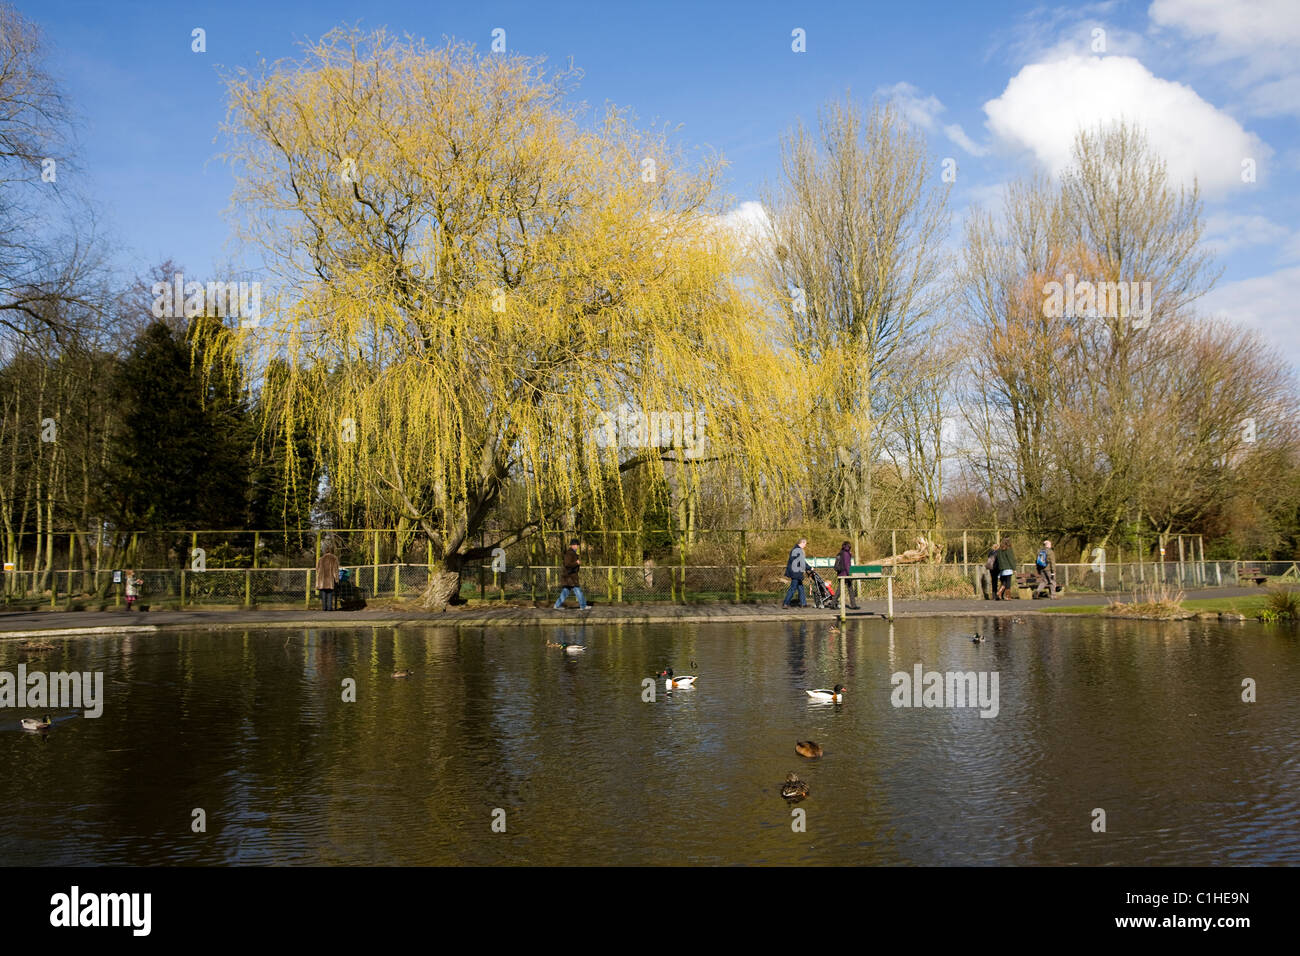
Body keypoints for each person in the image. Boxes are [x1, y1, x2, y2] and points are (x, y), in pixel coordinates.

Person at [554, 539, 590, 610]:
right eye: (576, 545)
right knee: (578, 591)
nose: (577, 546)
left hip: (569, 577)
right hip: (570, 577)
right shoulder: (569, 554)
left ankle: (557, 605)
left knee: (565, 592)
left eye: (577, 545)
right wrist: (576, 563)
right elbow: (567, 564)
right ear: (573, 545)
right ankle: (583, 606)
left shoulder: (571, 553)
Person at [783, 537, 810, 608]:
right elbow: (801, 562)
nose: (805, 546)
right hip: (796, 573)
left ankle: (803, 603)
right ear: (802, 542)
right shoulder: (797, 550)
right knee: (793, 588)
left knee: (801, 588)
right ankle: (786, 603)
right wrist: (810, 568)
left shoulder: (796, 549)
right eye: (805, 544)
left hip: (796, 572)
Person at [833, 540, 859, 609]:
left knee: (840, 590)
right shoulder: (846, 554)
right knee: (850, 590)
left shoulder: (841, 553)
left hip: (841, 574)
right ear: (849, 546)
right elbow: (847, 566)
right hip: (846, 574)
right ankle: (853, 605)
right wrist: (850, 574)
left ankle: (833, 603)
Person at [315, 547, 340, 611]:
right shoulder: (334, 558)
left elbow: (317, 569)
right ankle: (329, 607)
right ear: (331, 551)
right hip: (330, 579)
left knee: (323, 593)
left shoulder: (321, 559)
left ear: (325, 551)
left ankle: (324, 607)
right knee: (330, 593)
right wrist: (336, 579)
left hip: (322, 580)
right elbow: (336, 570)